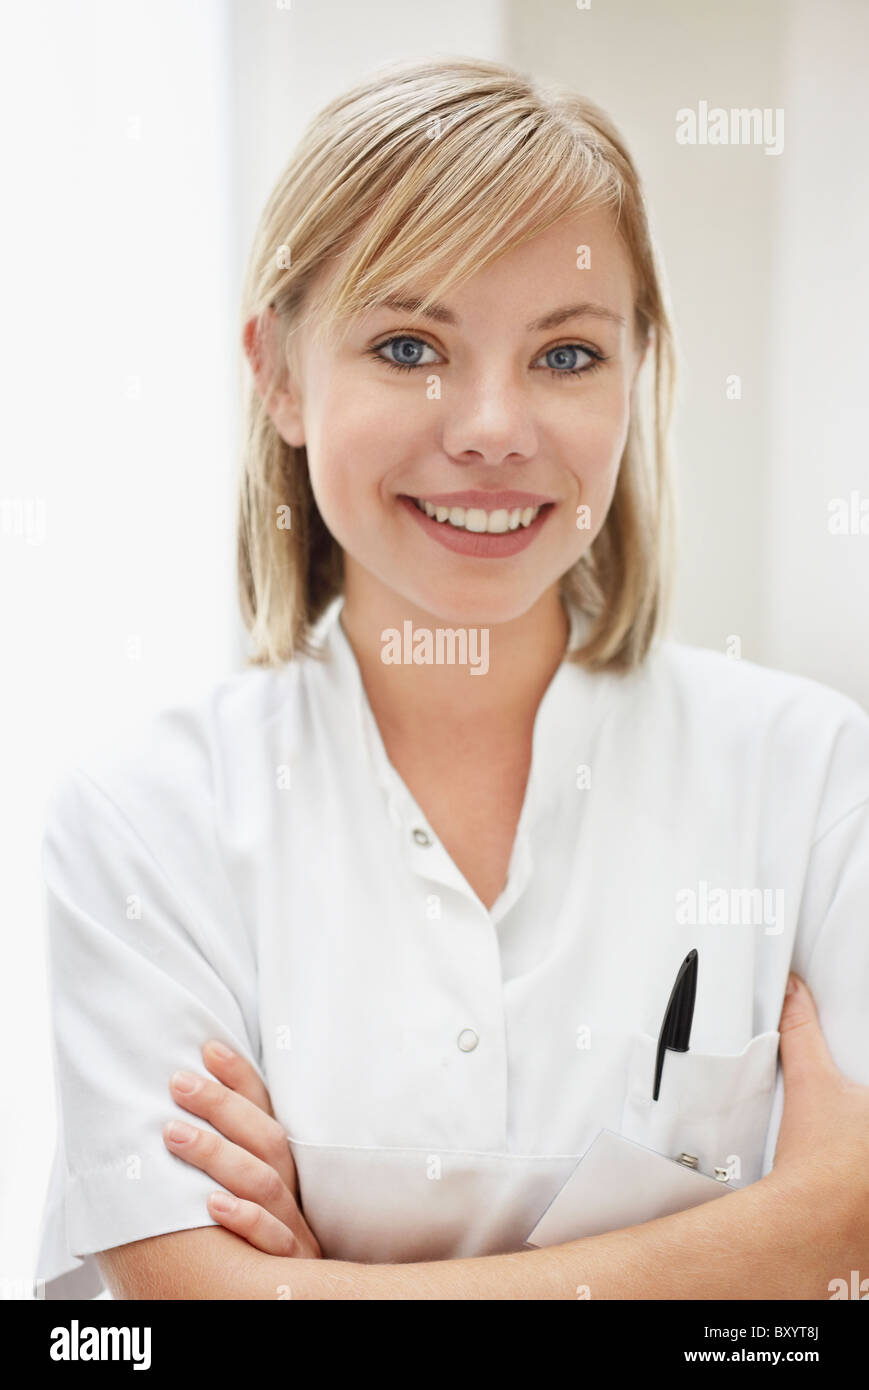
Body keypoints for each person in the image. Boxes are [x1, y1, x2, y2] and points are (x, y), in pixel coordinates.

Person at [36, 57, 869, 1300]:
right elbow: (175, 1312)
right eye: (409, 342)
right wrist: (771, 1239)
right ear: (277, 374)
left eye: (567, 356)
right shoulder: (145, 818)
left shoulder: (810, 778)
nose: (490, 427)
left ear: (636, 371)